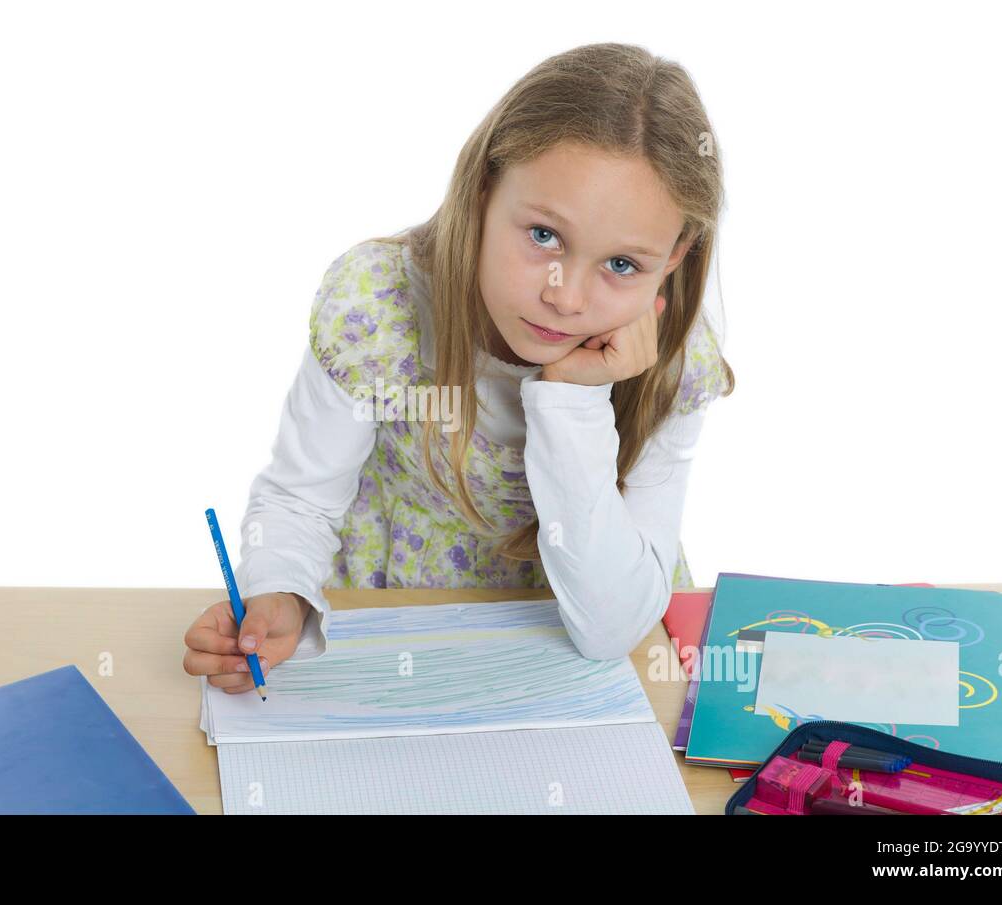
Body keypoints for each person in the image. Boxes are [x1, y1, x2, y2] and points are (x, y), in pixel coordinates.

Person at [184, 42, 734, 694]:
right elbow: (299, 498)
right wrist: (280, 590)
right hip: (404, 637)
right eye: (543, 236)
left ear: (673, 258)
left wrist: (575, 400)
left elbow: (608, 627)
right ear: (483, 190)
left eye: (622, 265)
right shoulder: (378, 308)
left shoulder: (670, 355)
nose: (566, 295)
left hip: (579, 656)